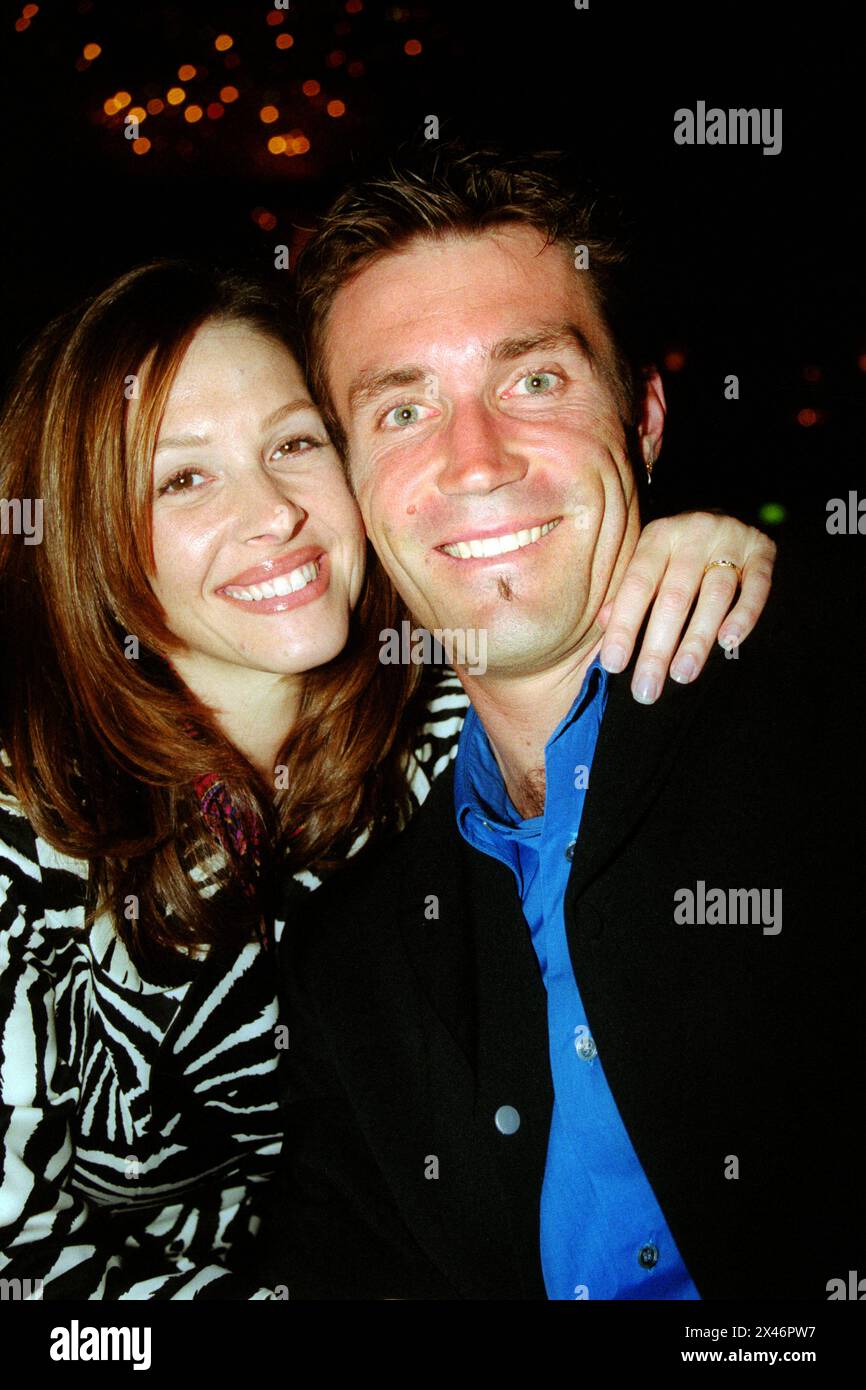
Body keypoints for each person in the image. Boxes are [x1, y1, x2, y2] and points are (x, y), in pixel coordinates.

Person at [0, 259, 773, 1300]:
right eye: (182, 477)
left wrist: (705, 551)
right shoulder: (26, 842)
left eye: (293, 444)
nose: (273, 512)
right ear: (87, 528)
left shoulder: (438, 724)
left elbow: (570, 603)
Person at [255, 147, 864, 1301]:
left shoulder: (822, 706)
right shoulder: (355, 949)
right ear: (348, 490)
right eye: (400, 408)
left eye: (532, 381)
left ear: (641, 419)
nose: (473, 459)